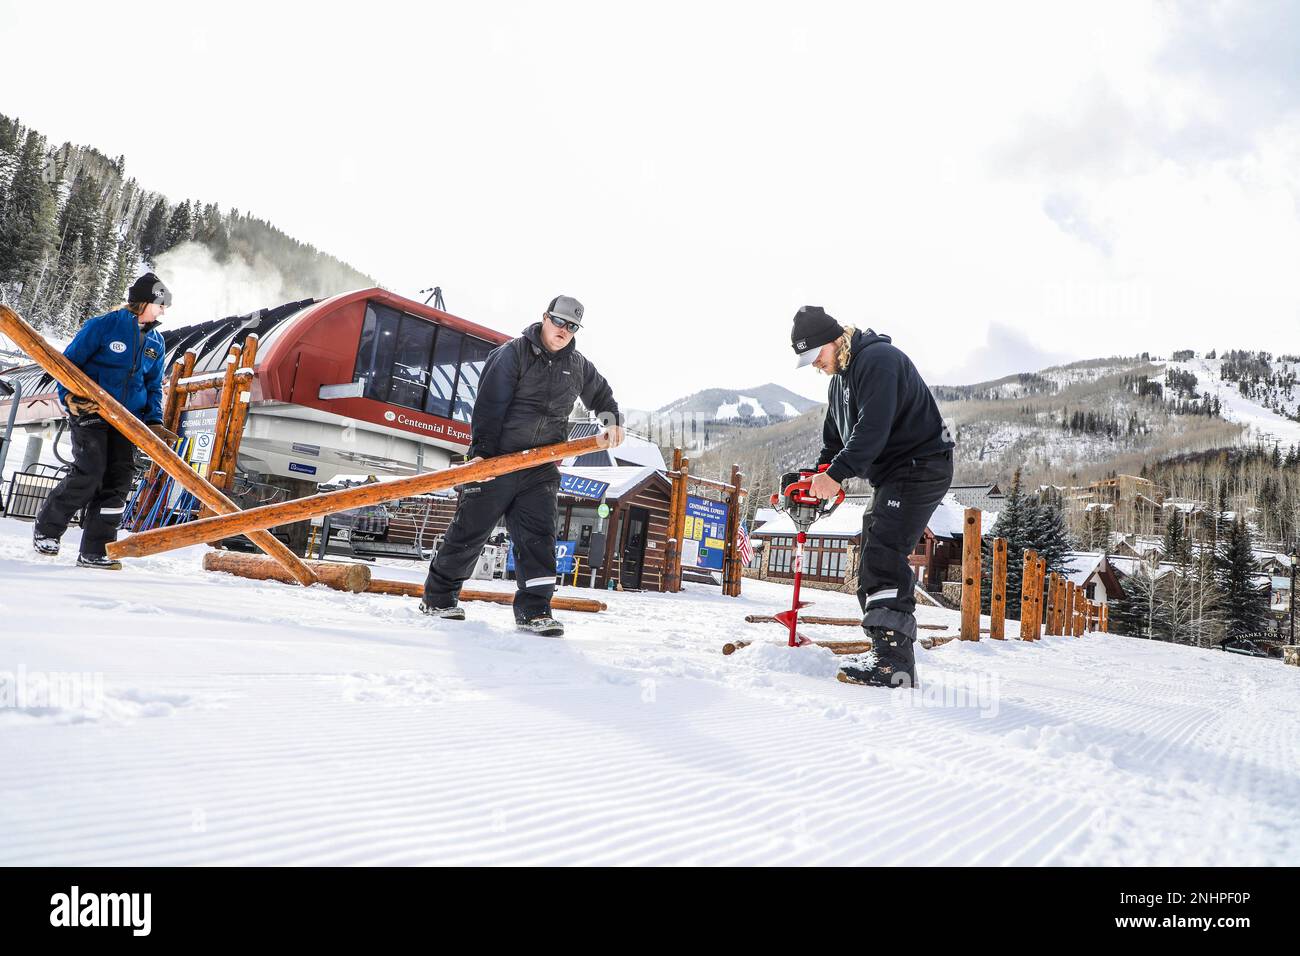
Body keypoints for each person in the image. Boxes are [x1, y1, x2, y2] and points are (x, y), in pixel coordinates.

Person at [421, 295, 623, 636]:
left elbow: (601, 394)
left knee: (539, 537)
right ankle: (438, 598)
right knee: (471, 531)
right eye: (559, 322)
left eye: (571, 327)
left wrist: (611, 421)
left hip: (541, 466)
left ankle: (534, 610)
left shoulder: (578, 366)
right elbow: (488, 405)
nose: (563, 330)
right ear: (544, 318)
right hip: (498, 459)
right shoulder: (511, 354)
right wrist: (481, 454)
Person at [790, 305, 954, 688]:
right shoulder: (839, 382)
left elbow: (872, 431)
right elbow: (834, 442)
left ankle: (894, 663)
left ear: (834, 341)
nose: (815, 365)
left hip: (921, 465)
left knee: (883, 550)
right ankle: (885, 649)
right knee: (874, 548)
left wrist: (837, 476)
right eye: (809, 361)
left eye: (817, 356)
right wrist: (817, 475)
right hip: (894, 474)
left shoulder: (878, 360)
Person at [33, 273, 177, 568]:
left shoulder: (156, 342)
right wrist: (71, 398)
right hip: (91, 413)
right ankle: (47, 529)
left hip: (127, 422)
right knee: (90, 472)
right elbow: (67, 366)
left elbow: (152, 386)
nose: (163, 310)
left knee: (118, 481)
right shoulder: (102, 326)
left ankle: (96, 550)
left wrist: (154, 421)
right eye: (160, 304)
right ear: (145, 301)